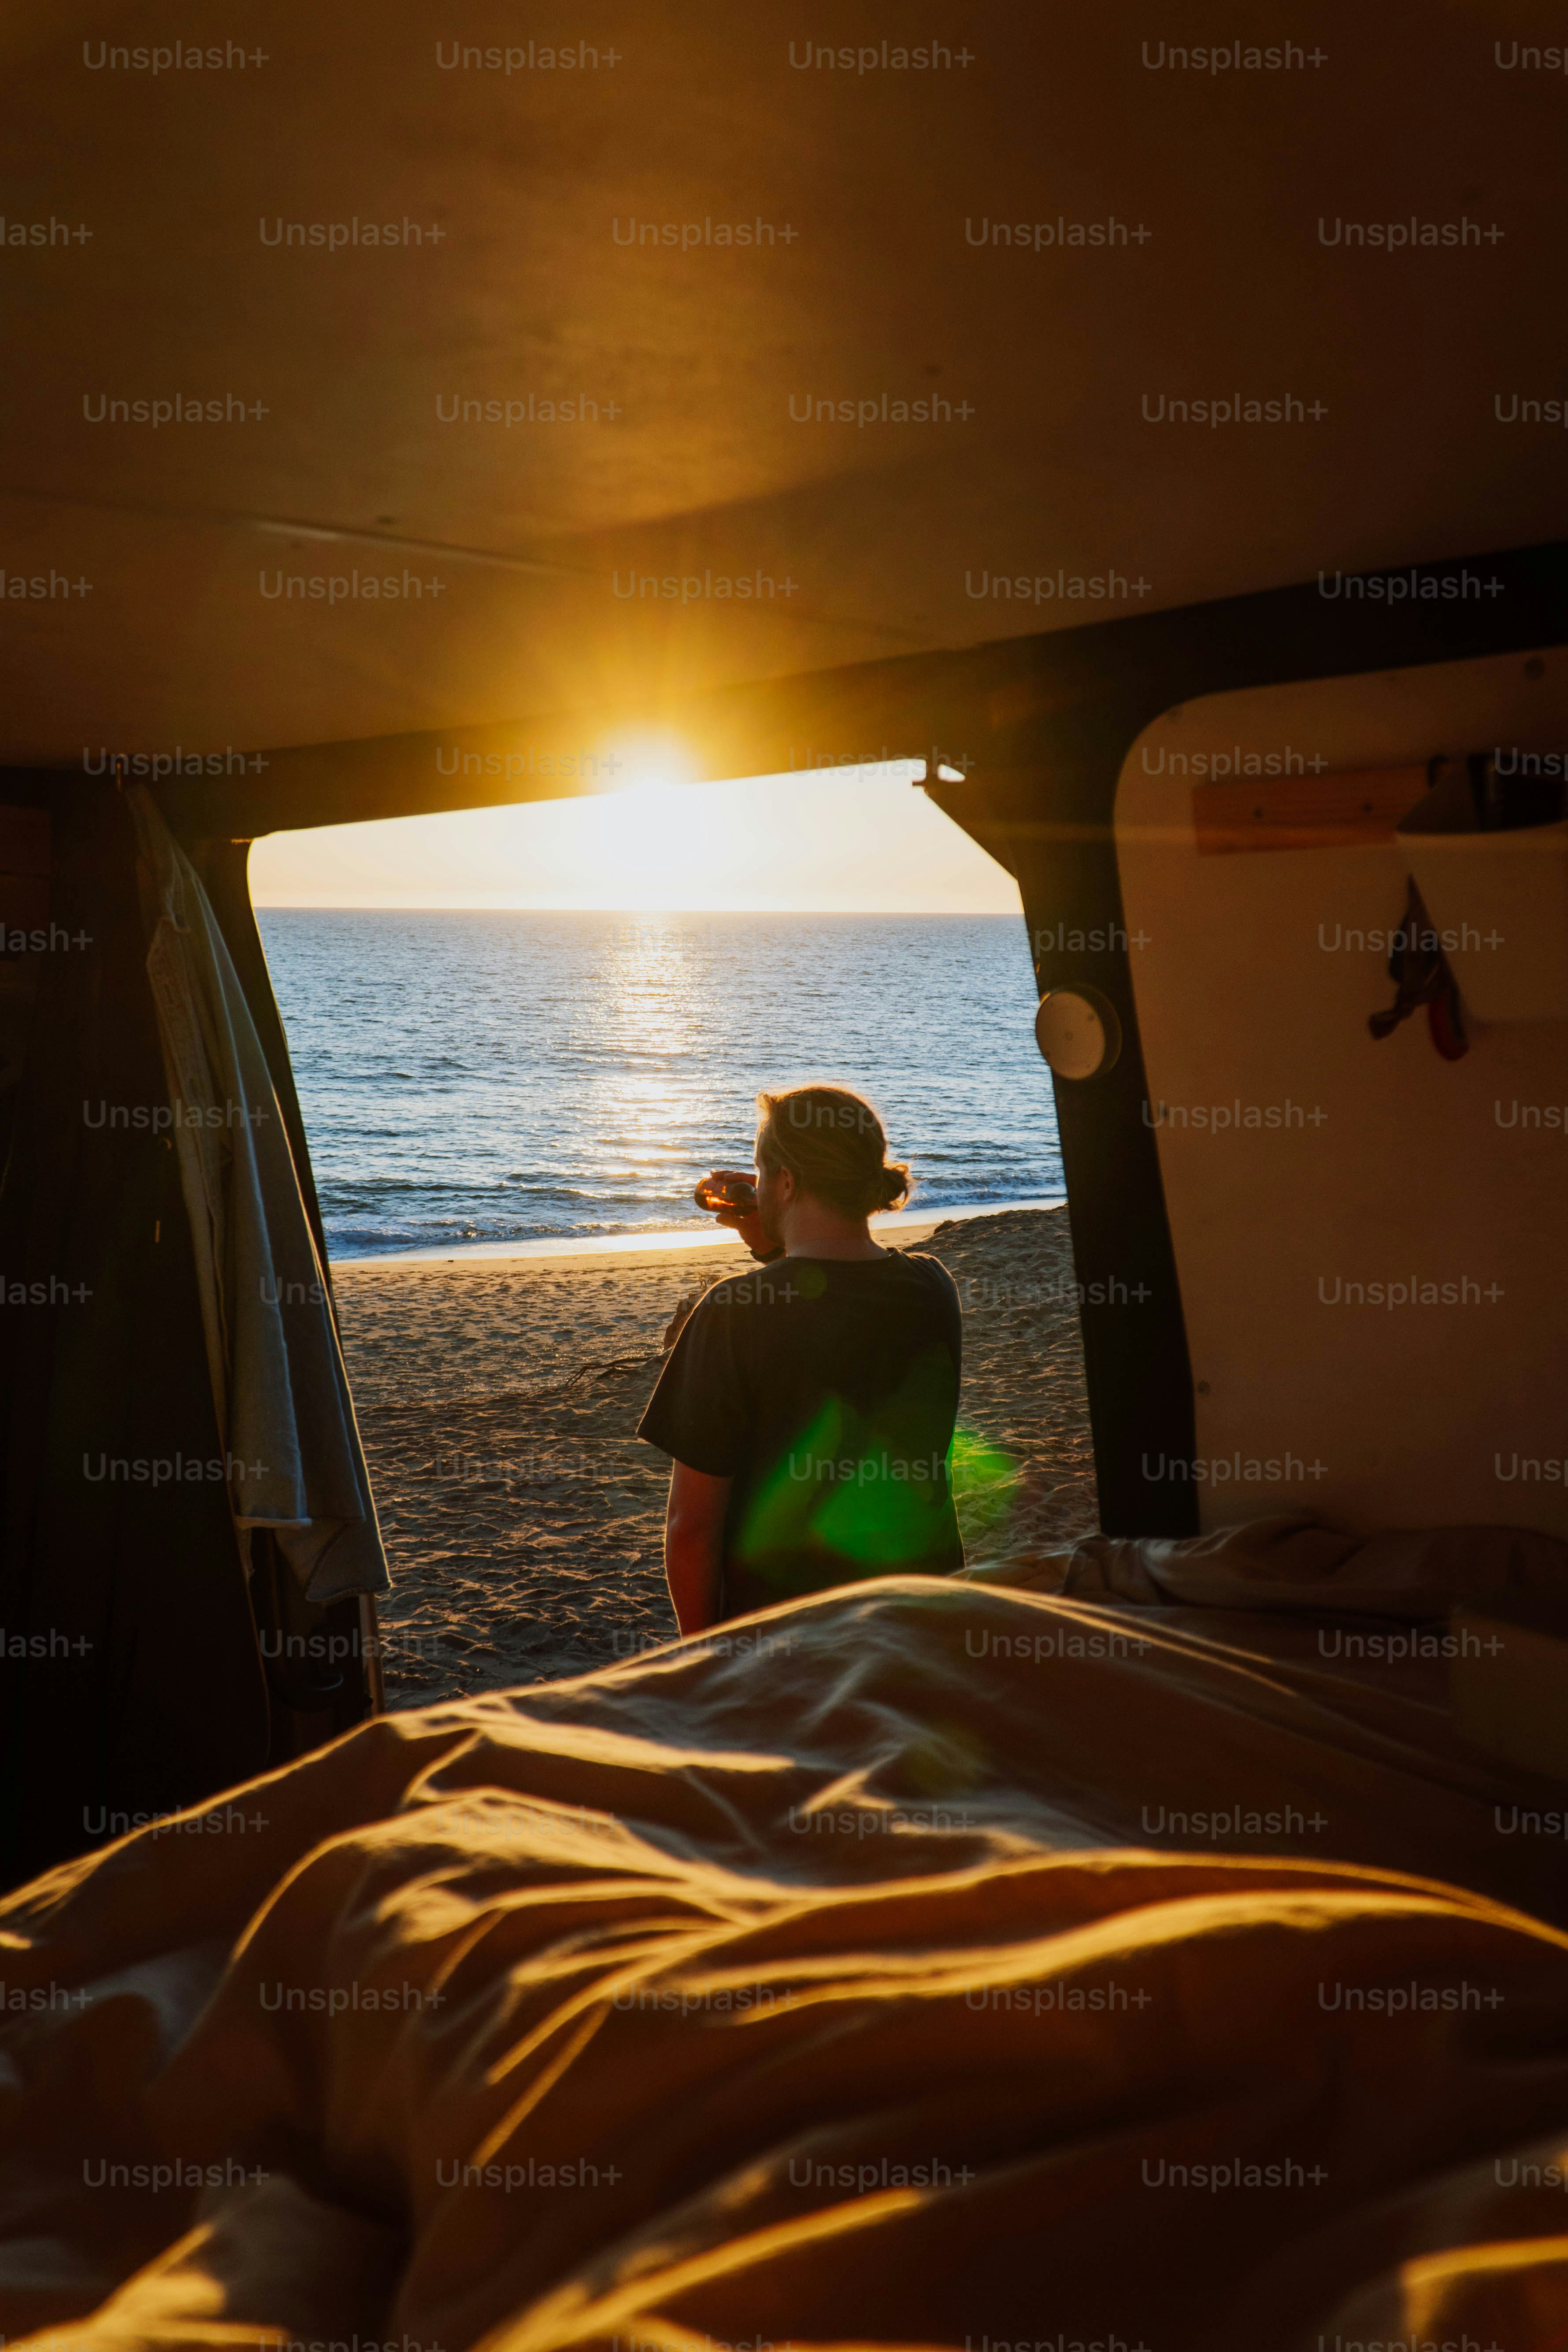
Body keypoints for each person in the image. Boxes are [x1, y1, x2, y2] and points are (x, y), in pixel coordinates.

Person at [638, 1084, 965, 1633]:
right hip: (922, 1620)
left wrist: (703, 1660)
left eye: (763, 1174)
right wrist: (773, 1243)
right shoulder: (932, 1287)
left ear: (786, 1182)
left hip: (792, 1640)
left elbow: (690, 1529)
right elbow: (835, 1306)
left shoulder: (732, 1313)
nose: (758, 1185)